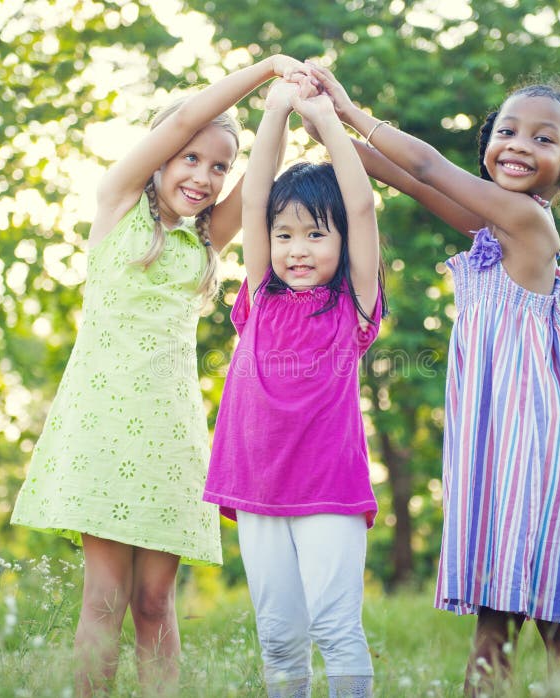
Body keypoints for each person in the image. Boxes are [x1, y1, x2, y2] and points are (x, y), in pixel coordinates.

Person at [307, 63, 560, 695]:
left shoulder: (529, 225)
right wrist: (327, 131)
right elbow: (403, 176)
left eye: (543, 138)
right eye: (507, 130)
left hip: (533, 445)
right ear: (488, 142)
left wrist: (346, 109)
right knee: (494, 614)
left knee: (557, 622)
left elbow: (426, 167)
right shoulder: (490, 228)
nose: (518, 145)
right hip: (494, 449)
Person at [10, 54, 306, 697]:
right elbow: (185, 121)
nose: (203, 176)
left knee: (154, 601)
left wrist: (278, 109)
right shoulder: (118, 206)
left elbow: (261, 186)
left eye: (218, 165)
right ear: (163, 159)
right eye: (191, 159)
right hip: (102, 427)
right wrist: (264, 70)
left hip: (171, 435)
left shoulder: (205, 240)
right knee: (104, 600)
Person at [202, 75, 387, 698]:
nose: (297, 249)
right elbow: (254, 198)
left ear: (341, 241)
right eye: (286, 235)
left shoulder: (352, 308)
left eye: (315, 234)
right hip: (256, 484)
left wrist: (324, 115)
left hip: (328, 488)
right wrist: (276, 110)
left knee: (335, 628)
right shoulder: (259, 297)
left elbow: (360, 205)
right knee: (278, 636)